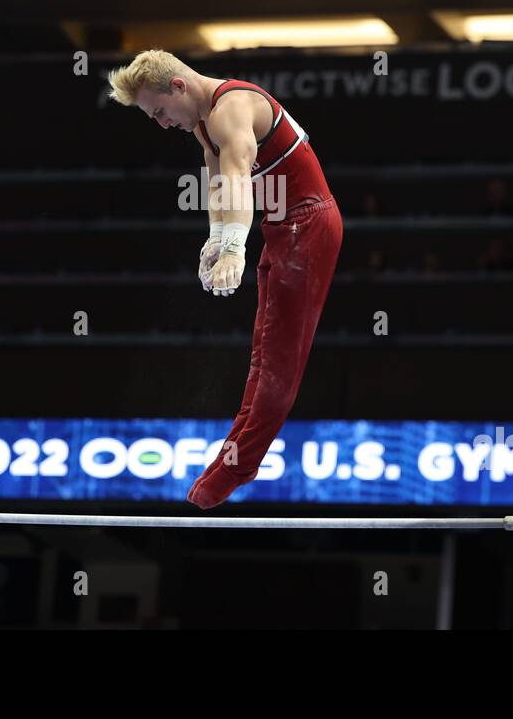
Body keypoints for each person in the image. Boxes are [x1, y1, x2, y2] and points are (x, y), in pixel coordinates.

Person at [107, 50, 343, 509]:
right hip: (283, 228)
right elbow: (217, 187)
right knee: (262, 355)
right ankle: (230, 460)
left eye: (158, 112)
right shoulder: (203, 124)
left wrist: (236, 246)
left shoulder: (231, 108)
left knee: (278, 365)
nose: (160, 124)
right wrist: (216, 239)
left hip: (308, 224)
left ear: (178, 86)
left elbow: (237, 181)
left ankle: (235, 469)